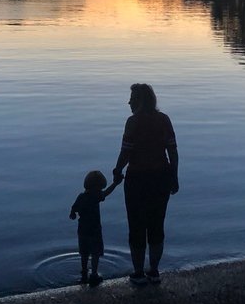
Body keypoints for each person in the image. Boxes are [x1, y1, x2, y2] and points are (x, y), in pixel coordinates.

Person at [112, 83, 178, 285]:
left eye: (132, 98)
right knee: (157, 225)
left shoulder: (133, 122)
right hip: (161, 178)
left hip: (137, 180)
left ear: (140, 100)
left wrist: (117, 170)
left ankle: (139, 272)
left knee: (137, 226)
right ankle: (154, 271)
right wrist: (174, 177)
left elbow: (126, 152)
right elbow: (173, 152)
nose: (129, 102)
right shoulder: (164, 120)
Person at [69, 170, 121, 286]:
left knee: (84, 252)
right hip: (94, 230)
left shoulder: (81, 196)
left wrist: (72, 214)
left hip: (82, 230)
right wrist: (115, 184)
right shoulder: (95, 196)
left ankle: (83, 272)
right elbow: (107, 193)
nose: (100, 190)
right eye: (99, 188)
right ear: (96, 188)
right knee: (95, 253)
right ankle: (94, 274)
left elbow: (74, 208)